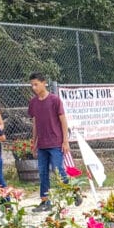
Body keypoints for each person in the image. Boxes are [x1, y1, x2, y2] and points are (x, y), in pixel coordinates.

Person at [26, 72, 75, 211]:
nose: (34, 87)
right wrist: (34, 141)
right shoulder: (33, 103)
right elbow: (35, 123)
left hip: (55, 142)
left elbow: (63, 121)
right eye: (32, 85)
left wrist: (65, 141)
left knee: (58, 170)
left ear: (44, 83)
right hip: (42, 144)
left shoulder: (54, 100)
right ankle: (45, 201)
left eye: (36, 84)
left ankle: (73, 190)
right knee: (42, 172)